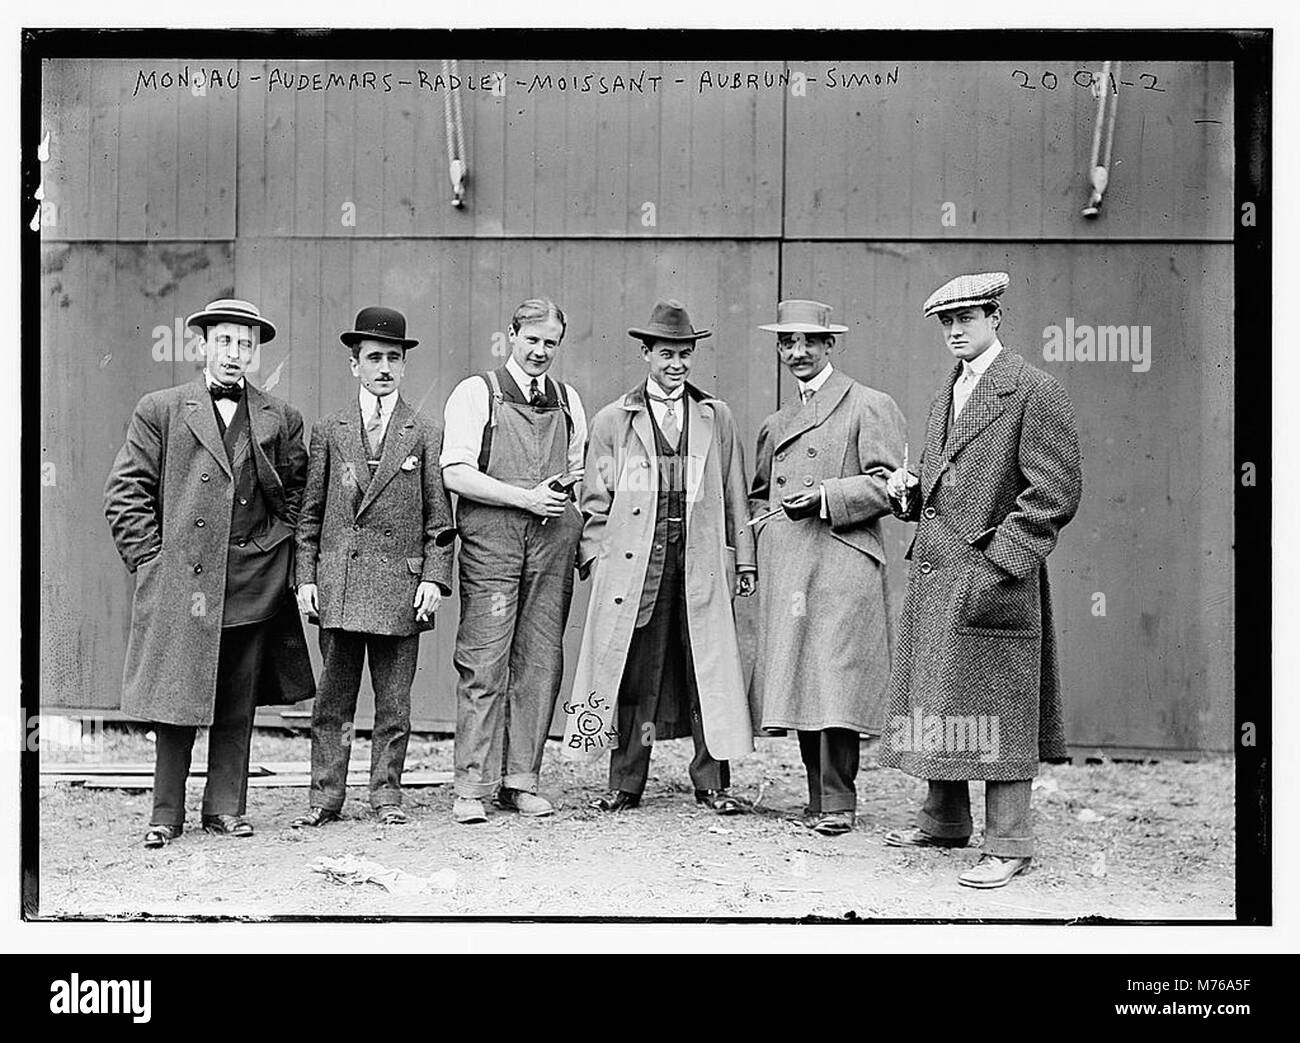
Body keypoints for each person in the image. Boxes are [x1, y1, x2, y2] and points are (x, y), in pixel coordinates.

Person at [882, 272, 1083, 888]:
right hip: (939, 571)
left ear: (995, 316)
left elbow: (1053, 494)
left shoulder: (1032, 389)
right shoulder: (952, 389)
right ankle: (944, 822)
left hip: (992, 581)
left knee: (999, 712)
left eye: (967, 317)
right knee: (939, 702)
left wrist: (998, 566)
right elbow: (948, 481)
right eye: (946, 322)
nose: (955, 331)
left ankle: (1010, 842)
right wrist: (910, 494)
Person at [104, 298, 315, 848]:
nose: (234, 355)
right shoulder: (162, 408)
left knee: (238, 695)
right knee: (175, 696)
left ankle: (225, 807)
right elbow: (125, 492)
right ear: (201, 345)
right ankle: (164, 813)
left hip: (251, 579)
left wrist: (273, 546)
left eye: (245, 345)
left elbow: (297, 493)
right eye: (225, 342)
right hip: (181, 580)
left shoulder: (280, 417)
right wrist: (151, 562)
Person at [563, 300, 756, 815]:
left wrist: (745, 561)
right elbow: (595, 500)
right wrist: (598, 561)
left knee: (706, 670)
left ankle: (712, 783)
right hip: (635, 567)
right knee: (634, 675)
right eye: (666, 353)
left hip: (699, 563)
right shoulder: (614, 419)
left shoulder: (716, 416)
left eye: (685, 354)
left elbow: (735, 492)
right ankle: (626, 782)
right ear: (646, 353)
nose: (676, 364)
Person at [292, 307, 455, 828]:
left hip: (402, 589)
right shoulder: (329, 430)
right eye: (374, 358)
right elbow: (310, 514)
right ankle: (325, 798)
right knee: (332, 702)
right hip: (338, 585)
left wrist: (434, 577)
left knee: (394, 705)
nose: (384, 368)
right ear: (353, 364)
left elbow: (439, 519)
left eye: (393, 358)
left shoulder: (425, 431)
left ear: (404, 366)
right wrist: (305, 578)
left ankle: (387, 796)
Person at [749, 299, 907, 836]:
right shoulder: (776, 422)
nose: (797, 352)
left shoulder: (868, 404)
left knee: (835, 680)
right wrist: (766, 534)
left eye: (809, 343)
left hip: (842, 557)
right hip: (791, 561)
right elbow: (758, 496)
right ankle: (817, 798)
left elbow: (892, 485)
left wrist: (825, 496)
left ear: (829, 345)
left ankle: (839, 801)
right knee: (799, 678)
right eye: (787, 343)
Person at [440, 299, 587, 823]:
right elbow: (455, 472)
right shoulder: (476, 392)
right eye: (532, 340)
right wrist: (522, 497)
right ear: (511, 336)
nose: (541, 351)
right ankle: (472, 788)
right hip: (493, 538)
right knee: (484, 659)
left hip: (551, 539)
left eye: (551, 343)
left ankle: (521, 781)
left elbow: (578, 471)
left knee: (541, 660)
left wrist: (561, 499)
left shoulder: (568, 400)